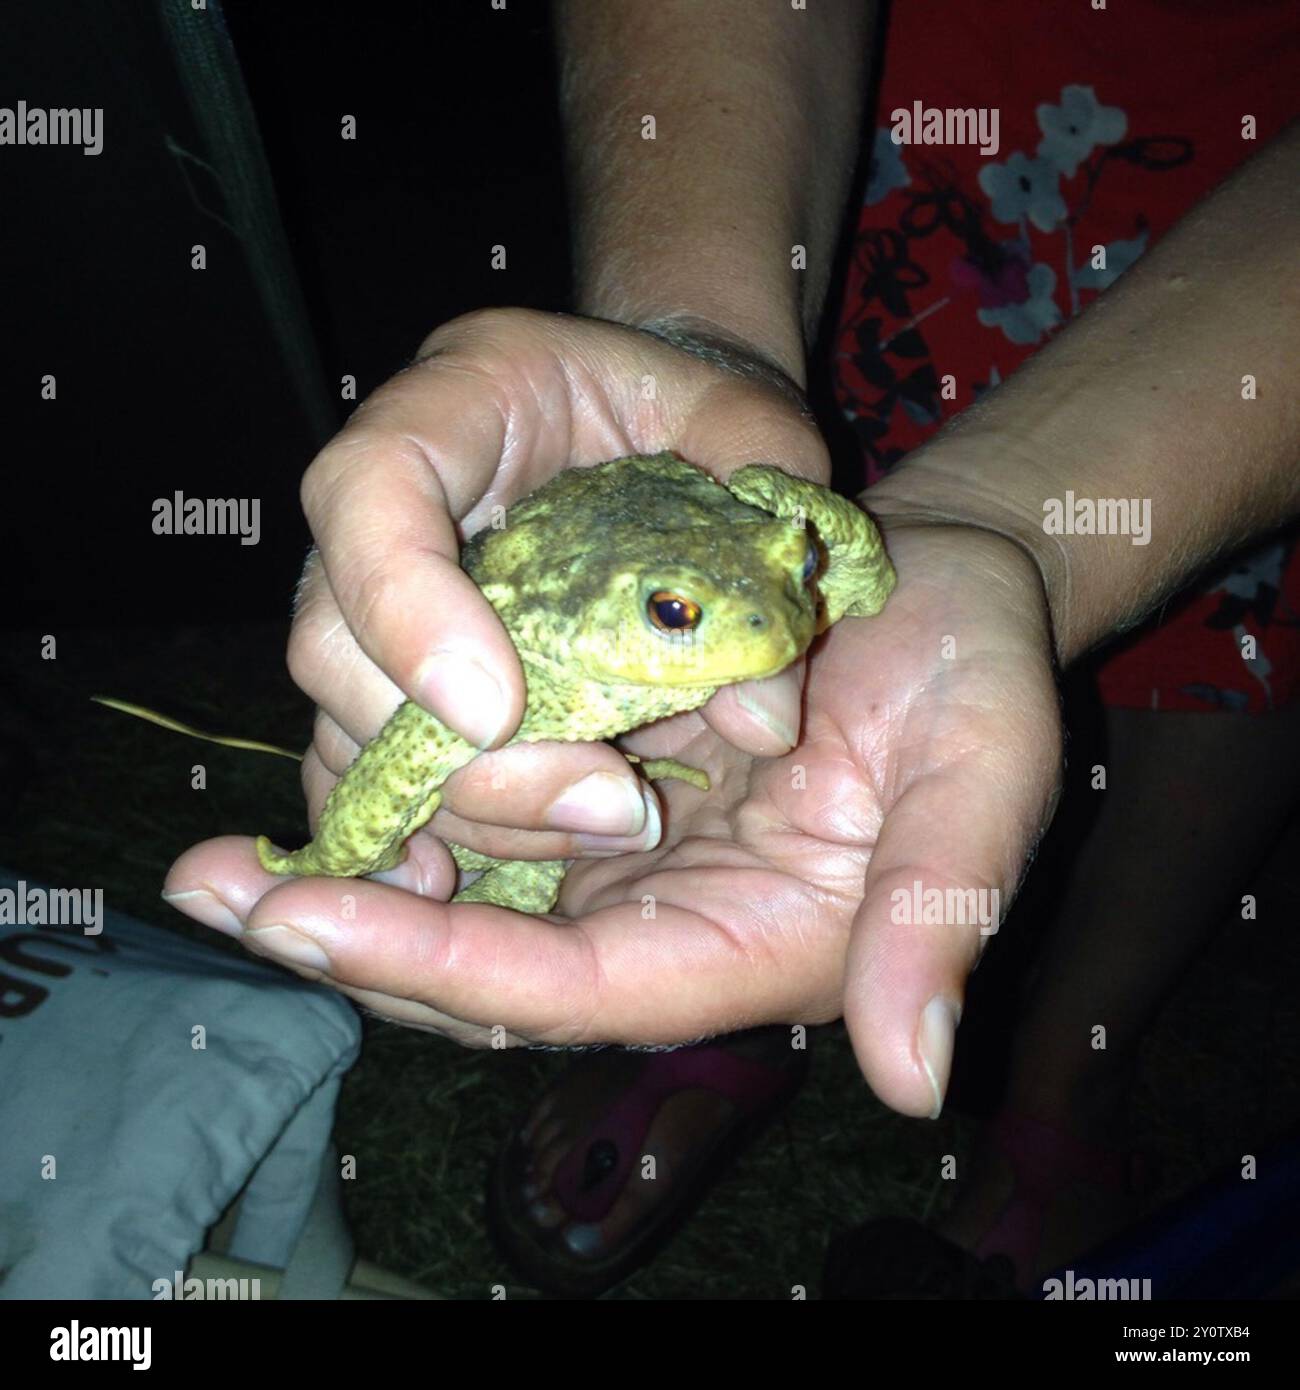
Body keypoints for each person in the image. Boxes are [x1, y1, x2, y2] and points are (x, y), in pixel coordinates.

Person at [165, 0, 1300, 1294]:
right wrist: (344, 852)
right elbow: (422, 734)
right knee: (508, 833)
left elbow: (790, 513)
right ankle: (710, 1002)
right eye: (687, 620)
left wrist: (878, 548)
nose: (776, 632)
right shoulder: (538, 644)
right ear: (627, 615)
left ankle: (1072, 1077)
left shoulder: (761, 561)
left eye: (785, 590)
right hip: (906, 185)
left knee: (1227, 644)